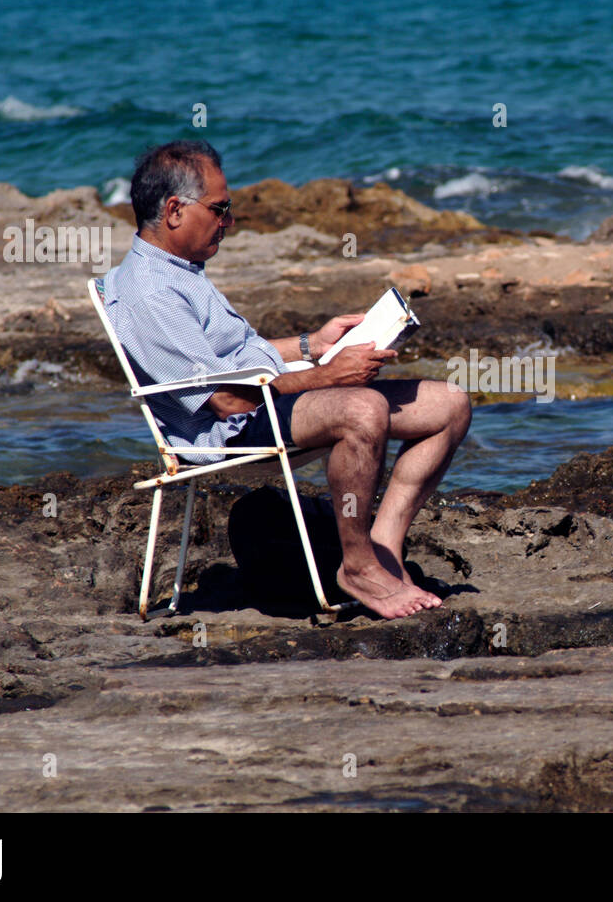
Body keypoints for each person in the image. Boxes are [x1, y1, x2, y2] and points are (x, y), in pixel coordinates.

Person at [103, 140, 470, 618]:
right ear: (174, 210)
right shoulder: (148, 292)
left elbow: (236, 356)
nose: (229, 221)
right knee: (364, 409)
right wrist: (328, 376)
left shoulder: (180, 270)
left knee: (451, 403)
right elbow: (230, 400)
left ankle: (383, 550)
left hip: (263, 398)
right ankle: (357, 567)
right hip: (229, 430)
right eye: (220, 209)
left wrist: (312, 345)